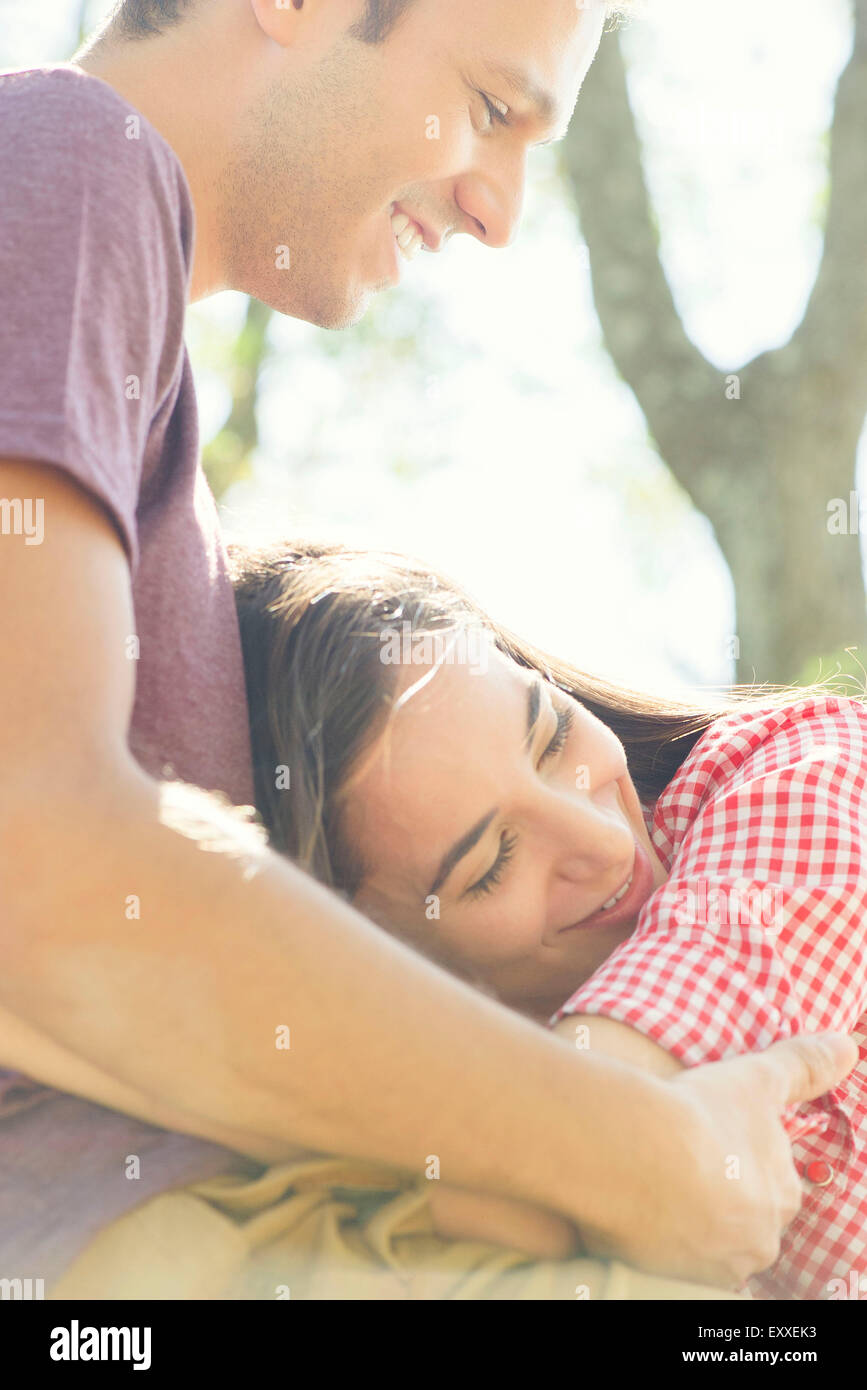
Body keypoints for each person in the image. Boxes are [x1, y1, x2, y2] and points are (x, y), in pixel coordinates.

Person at [0, 0, 855, 1296]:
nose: (498, 207)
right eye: (487, 107)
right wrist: (643, 1155)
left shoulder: (153, 469)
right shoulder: (71, 159)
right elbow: (42, 854)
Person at [230, 537, 867, 1296]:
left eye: (553, 737)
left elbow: (723, 946)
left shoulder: (792, 765)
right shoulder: (396, 1156)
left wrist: (578, 1154)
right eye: (492, 863)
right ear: (376, 958)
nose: (599, 842)